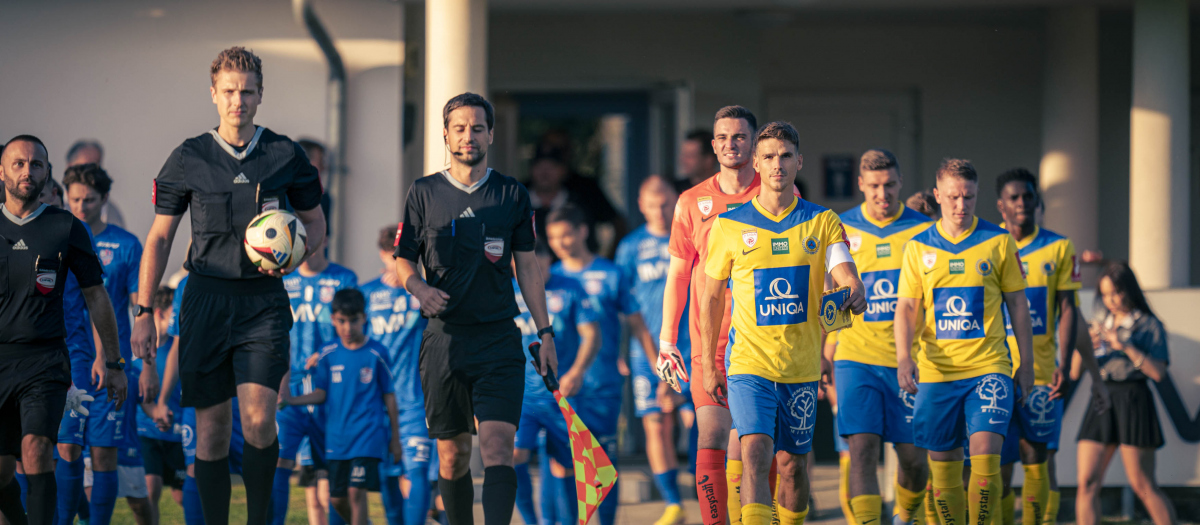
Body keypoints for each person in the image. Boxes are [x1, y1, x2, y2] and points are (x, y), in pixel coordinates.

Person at [131, 47, 327, 525]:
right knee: (212, 431)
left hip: (262, 304)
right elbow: (159, 237)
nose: (238, 100)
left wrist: (295, 258)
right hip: (204, 300)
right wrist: (142, 312)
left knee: (260, 420)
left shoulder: (285, 154)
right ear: (214, 95)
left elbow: (317, 223)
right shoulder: (188, 156)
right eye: (230, 92)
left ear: (261, 96)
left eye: (248, 92)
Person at [392, 92, 555, 525]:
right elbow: (403, 256)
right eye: (460, 128)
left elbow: (528, 267)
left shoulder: (511, 194)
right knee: (452, 456)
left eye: (477, 128)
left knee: (499, 446)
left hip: (499, 338)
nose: (469, 136)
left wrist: (546, 332)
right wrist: (417, 287)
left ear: (491, 135)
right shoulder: (424, 191)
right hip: (443, 341)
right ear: (445, 135)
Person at [700, 121, 865, 525]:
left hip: (802, 367)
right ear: (756, 163)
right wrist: (708, 363)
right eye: (769, 157)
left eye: (786, 156)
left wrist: (853, 286)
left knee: (792, 467)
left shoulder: (822, 220)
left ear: (799, 161)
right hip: (748, 365)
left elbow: (842, 268)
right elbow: (710, 298)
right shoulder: (728, 225)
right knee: (755, 452)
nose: (778, 164)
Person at [894, 158, 1034, 525]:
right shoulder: (918, 247)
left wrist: (1028, 364)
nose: (961, 205)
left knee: (986, 457)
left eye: (968, 197)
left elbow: (1018, 303)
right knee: (943, 471)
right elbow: (907, 307)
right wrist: (904, 357)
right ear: (938, 195)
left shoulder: (998, 241)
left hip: (989, 368)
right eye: (953, 197)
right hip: (938, 374)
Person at [0, 135, 127, 525]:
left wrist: (115, 361)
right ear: (2, 171)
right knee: (3, 472)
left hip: (46, 360)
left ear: (47, 173)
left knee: (37, 448)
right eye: (18, 163)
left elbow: (96, 295)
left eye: (36, 164)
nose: (27, 170)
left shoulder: (66, 227)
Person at [656, 105, 769, 525]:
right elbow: (678, 274)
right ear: (713, 145)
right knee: (711, 435)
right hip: (709, 342)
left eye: (739, 136)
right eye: (722, 137)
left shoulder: (774, 193)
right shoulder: (691, 201)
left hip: (764, 343)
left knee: (753, 445)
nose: (730, 144)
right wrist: (667, 342)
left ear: (754, 143)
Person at [995, 168, 1109, 525]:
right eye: (1014, 197)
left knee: (1040, 460)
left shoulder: (1059, 247)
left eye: (1028, 196)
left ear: (1038, 201)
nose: (1022, 203)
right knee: (995, 465)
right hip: (993, 372)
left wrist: (1067, 363)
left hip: (1042, 373)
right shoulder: (987, 244)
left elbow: (1067, 311)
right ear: (1001, 206)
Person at [834, 149, 934, 525]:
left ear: (900, 182)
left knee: (912, 458)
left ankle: (905, 518)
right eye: (874, 185)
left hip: (910, 361)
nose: (882, 193)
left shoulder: (923, 230)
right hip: (856, 358)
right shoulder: (839, 228)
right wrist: (826, 353)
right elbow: (832, 298)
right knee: (862, 449)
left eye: (890, 184)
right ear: (860, 184)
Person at [546, 204, 655, 525]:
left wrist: (655, 368)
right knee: (561, 462)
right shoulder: (548, 278)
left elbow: (636, 324)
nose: (560, 243)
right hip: (562, 387)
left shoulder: (611, 273)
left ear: (582, 231)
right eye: (553, 237)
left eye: (565, 234)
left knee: (604, 461)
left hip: (603, 383)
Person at [61, 162, 146, 525]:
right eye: (75, 199)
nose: (81, 207)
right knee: (66, 450)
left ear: (105, 199)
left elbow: (140, 308)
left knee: (104, 453)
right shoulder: (58, 238)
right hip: (71, 362)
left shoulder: (126, 245)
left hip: (114, 363)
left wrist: (147, 365)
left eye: (90, 200)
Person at [283, 289, 402, 525]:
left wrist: (395, 439)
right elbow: (321, 393)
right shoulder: (327, 353)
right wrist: (291, 400)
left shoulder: (377, 353)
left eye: (353, 320)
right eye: (341, 321)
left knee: (356, 493)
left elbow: (390, 397)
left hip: (367, 437)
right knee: (336, 499)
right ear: (333, 319)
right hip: (337, 440)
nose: (348, 328)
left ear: (364, 318)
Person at [615, 175, 691, 525]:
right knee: (655, 423)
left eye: (665, 203)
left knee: (698, 422)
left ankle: (709, 494)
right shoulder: (630, 247)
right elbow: (623, 306)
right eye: (652, 203)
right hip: (647, 350)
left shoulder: (693, 236)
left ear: (676, 201)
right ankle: (673, 504)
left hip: (691, 347)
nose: (659, 210)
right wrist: (627, 352)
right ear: (641, 205)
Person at [1076, 262, 1177, 525]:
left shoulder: (1149, 325)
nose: (1111, 301)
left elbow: (1159, 373)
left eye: (1116, 293)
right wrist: (1085, 345)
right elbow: (1075, 372)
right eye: (1106, 294)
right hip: (1102, 398)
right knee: (1086, 483)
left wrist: (1126, 346)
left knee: (1142, 484)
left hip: (1133, 398)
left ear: (1129, 290)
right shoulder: (1100, 323)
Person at [510, 243, 600, 525]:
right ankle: (531, 521)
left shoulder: (570, 288)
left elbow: (591, 334)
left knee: (565, 466)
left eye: (539, 260)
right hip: (521, 397)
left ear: (549, 260)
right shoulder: (505, 291)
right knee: (513, 457)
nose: (532, 267)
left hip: (561, 394)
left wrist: (577, 371)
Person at [272, 239, 357, 525]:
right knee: (279, 461)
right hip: (290, 388)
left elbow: (356, 334)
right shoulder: (282, 280)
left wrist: (326, 352)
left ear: (325, 240)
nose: (303, 247)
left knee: (331, 473)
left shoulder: (344, 278)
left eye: (309, 239)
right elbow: (276, 336)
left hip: (330, 391)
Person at [153, 275, 247, 525]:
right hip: (200, 392)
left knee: (256, 469)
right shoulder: (187, 284)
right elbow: (178, 344)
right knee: (197, 467)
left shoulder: (252, 277)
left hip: (243, 394)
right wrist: (162, 399)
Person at [361, 225, 431, 525]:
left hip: (416, 401)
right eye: (393, 257)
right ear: (382, 255)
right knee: (387, 474)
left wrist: (413, 286)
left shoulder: (424, 293)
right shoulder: (366, 294)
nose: (398, 264)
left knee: (417, 470)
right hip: (377, 404)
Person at [136, 287, 186, 524]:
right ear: (158, 313)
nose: (177, 322)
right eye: (172, 316)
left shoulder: (180, 349)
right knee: (150, 489)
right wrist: (154, 411)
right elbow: (138, 394)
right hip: (147, 431)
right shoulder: (139, 351)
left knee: (184, 496)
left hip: (177, 433)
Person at [65, 141, 125, 229]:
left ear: (104, 198)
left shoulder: (111, 211)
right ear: (70, 166)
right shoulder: (49, 202)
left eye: (97, 166)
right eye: (86, 166)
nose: (92, 172)